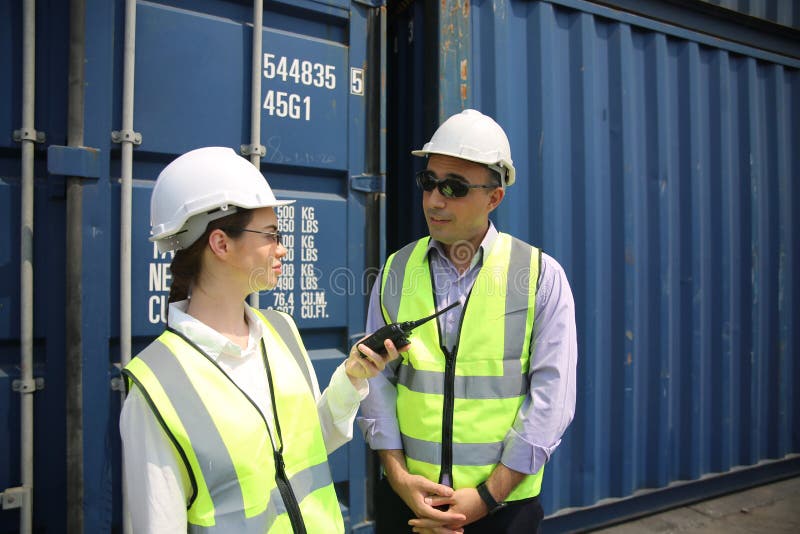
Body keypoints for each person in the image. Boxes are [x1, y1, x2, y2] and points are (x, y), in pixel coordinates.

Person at [120, 146, 402, 533]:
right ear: (221, 244)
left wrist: (352, 378)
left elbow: (297, 452)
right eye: (271, 235)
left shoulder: (281, 330)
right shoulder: (156, 387)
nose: (283, 248)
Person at [357, 109, 578, 534]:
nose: (434, 200)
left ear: (494, 197)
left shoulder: (538, 276)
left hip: (503, 511)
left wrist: (485, 498)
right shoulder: (396, 270)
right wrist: (401, 480)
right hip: (407, 503)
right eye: (428, 182)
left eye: (454, 188)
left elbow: (553, 402)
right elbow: (375, 382)